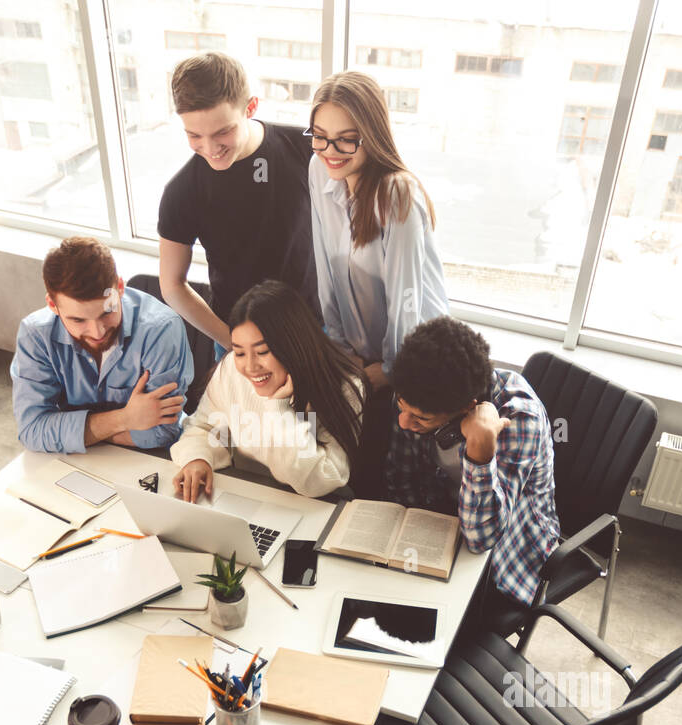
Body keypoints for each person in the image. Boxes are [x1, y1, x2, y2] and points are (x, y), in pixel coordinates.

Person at [306, 71, 450, 495]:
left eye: (346, 139)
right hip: (358, 351)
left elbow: (406, 300)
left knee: (393, 477)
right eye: (319, 135)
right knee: (352, 468)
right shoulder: (318, 170)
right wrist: (337, 345)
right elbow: (325, 267)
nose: (331, 151)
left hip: (412, 357)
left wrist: (387, 370)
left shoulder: (397, 195)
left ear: (372, 135)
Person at [385, 317, 560, 628]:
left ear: (467, 408)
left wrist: (480, 450)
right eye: (402, 406)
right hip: (442, 525)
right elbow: (402, 479)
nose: (404, 423)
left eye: (422, 419)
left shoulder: (520, 418)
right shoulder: (415, 394)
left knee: (431, 633)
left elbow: (483, 539)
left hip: (508, 552)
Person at [158, 52, 320, 352]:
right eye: (194, 135)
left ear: (251, 107)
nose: (210, 148)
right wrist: (234, 345)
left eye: (223, 132)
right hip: (236, 337)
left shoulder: (305, 148)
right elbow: (172, 286)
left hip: (313, 327)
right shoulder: (182, 191)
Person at [170, 280, 366, 500]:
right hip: (248, 496)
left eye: (262, 351)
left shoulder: (343, 386)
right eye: (240, 353)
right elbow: (204, 428)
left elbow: (320, 481)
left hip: (314, 506)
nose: (250, 367)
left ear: (293, 345)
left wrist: (279, 409)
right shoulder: (231, 370)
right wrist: (199, 458)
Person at [11, 236, 193, 454]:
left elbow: (160, 433)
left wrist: (73, 433)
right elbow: (32, 430)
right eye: (78, 320)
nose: (97, 332)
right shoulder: (35, 335)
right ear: (52, 305)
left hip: (152, 457)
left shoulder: (161, 329)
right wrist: (125, 418)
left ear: (120, 287)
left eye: (107, 312)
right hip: (76, 462)